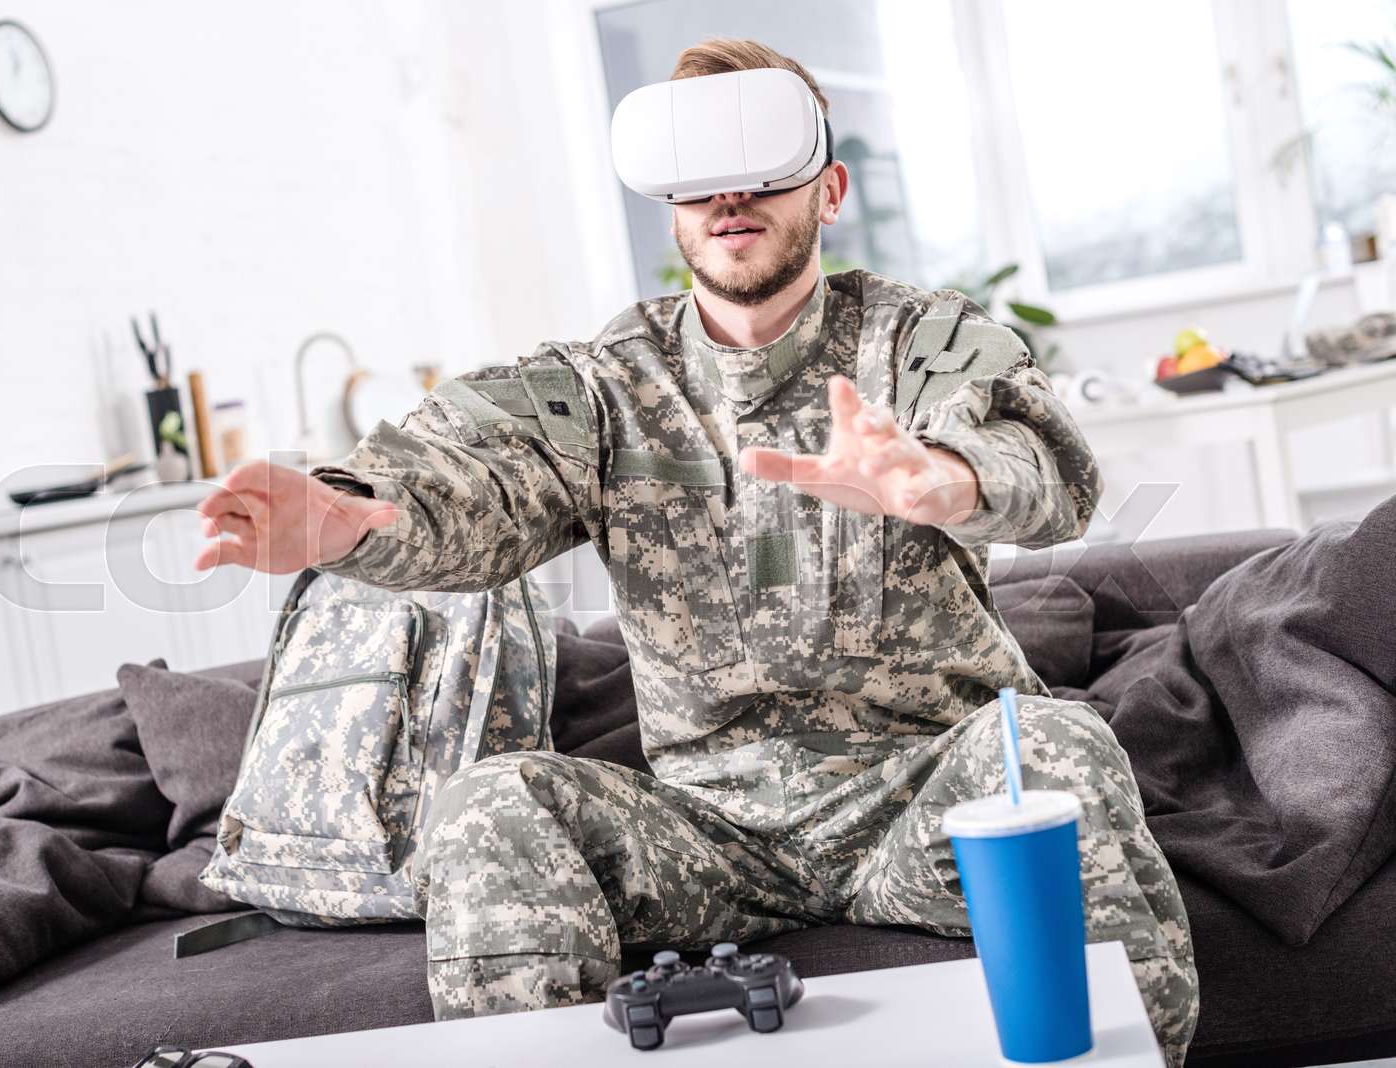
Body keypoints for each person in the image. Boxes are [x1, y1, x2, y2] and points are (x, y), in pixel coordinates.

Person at [193, 38, 1197, 1067]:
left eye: (762, 165)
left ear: (829, 187)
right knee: (488, 804)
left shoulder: (916, 339)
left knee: (1062, 745)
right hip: (712, 832)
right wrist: (354, 516)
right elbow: (475, 471)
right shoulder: (600, 387)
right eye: (699, 177)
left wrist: (938, 478)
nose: (730, 198)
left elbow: (1037, 458)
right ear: (670, 207)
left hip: (930, 791)